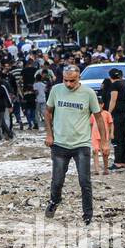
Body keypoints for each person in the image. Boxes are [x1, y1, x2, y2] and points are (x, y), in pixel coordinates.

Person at [44, 64, 102, 223]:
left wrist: (104, 142)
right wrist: (49, 134)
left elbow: (99, 117)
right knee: (57, 181)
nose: (69, 84)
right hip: (60, 144)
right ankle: (54, 201)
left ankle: (88, 215)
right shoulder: (56, 90)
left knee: (85, 181)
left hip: (81, 144)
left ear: (79, 78)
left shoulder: (89, 93)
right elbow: (48, 111)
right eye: (66, 80)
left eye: (72, 81)